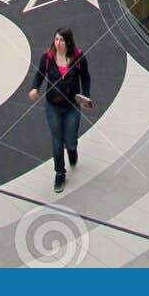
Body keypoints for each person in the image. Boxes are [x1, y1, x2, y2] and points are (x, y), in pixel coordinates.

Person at [29, 28, 93, 193]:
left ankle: (72, 149)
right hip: (53, 107)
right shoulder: (48, 58)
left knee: (70, 140)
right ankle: (59, 173)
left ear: (68, 42)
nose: (58, 43)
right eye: (56, 39)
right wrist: (35, 88)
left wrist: (86, 96)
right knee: (57, 140)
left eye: (61, 40)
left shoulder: (78, 58)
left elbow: (85, 77)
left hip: (71, 106)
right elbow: (40, 74)